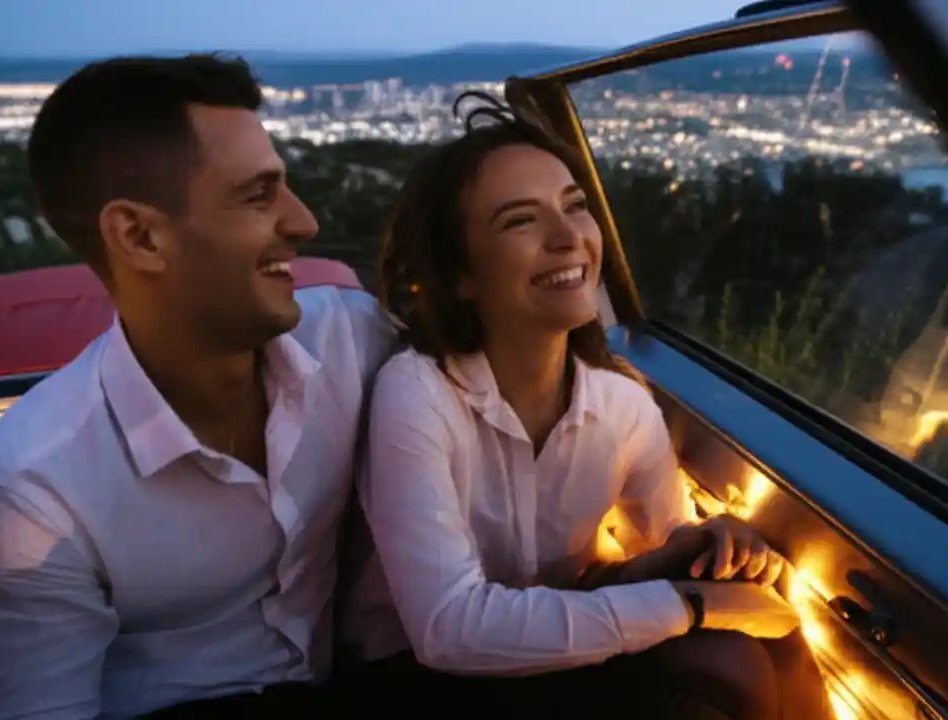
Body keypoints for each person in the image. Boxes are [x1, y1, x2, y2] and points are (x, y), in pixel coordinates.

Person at [339, 94, 832, 719]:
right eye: (521, 221)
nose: (569, 237)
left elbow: (664, 538)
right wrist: (690, 606)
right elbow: (449, 627)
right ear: (459, 274)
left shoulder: (622, 405)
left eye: (576, 206)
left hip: (551, 658)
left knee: (741, 652)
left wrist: (712, 546)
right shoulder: (417, 393)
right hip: (409, 678)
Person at [0, 54, 395, 719]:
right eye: (257, 195)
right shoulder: (34, 483)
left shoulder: (355, 343)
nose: (304, 221)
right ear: (139, 237)